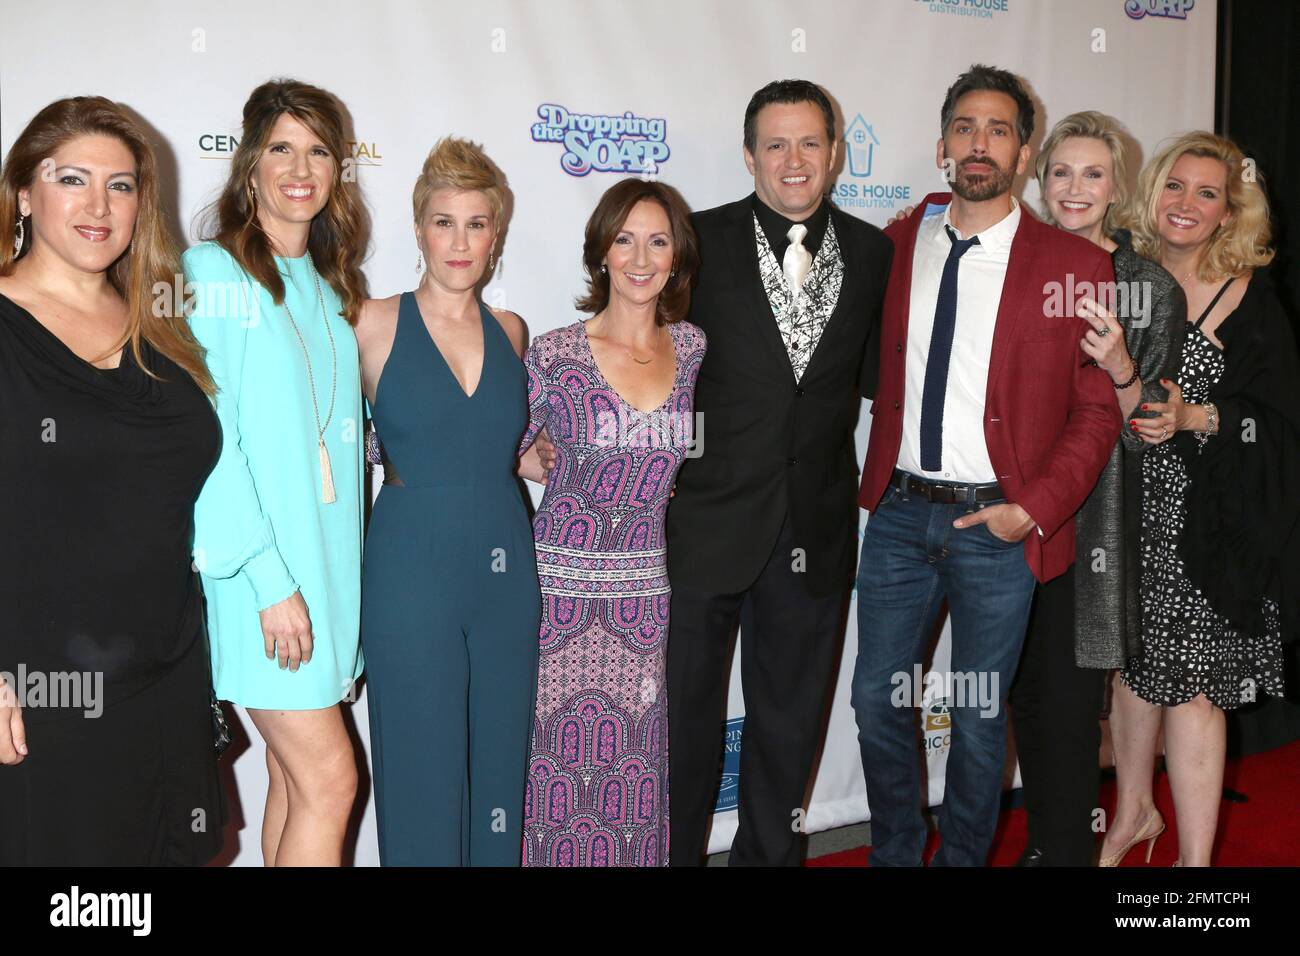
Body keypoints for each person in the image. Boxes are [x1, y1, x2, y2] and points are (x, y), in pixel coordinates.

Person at [852, 65, 1121, 867]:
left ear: (1025, 149)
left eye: (999, 130)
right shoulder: (897, 243)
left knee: (976, 719)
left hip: (999, 525)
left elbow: (1097, 411)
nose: (980, 144)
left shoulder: (1073, 265)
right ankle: (897, 855)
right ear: (942, 145)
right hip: (900, 515)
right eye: (965, 127)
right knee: (875, 702)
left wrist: (1032, 509)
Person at [666, 79, 892, 867]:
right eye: (775, 144)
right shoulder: (692, 240)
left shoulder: (874, 253)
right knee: (683, 725)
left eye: (809, 143)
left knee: (789, 724)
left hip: (815, 528)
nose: (793, 161)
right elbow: (642, 359)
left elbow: (872, 383)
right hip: (702, 524)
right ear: (748, 155)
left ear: (834, 153)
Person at [0, 96, 223, 865]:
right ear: (24, 193)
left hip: (167, 672)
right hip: (42, 688)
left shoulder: (160, 325)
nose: (99, 206)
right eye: (72, 179)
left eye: (121, 185)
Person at [186, 79, 368, 866]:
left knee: (298, 789)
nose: (302, 168)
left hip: (324, 582)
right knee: (332, 783)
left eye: (320, 150)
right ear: (250, 166)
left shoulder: (329, 288)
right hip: (264, 585)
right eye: (281, 148)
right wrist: (269, 581)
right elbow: (206, 441)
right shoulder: (211, 274)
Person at [1104, 131, 1298, 867]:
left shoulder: (1250, 299)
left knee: (1191, 690)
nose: (1186, 204)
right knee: (1128, 671)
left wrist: (1198, 416)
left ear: (1228, 212)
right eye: (1175, 187)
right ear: (1153, 193)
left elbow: (1279, 424)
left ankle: (1192, 867)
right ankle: (1131, 815)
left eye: (1207, 193)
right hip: (1120, 509)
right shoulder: (1122, 273)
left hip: (1208, 522)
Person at [357, 137, 543, 866]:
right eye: (444, 221)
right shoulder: (369, 322)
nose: (460, 241)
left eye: (476, 223)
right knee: (419, 768)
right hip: (409, 567)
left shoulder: (511, 331)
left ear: (496, 232)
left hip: (504, 566)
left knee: (500, 765)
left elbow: (488, 441)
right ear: (417, 228)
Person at [1010, 111, 1186, 866]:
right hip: (1017, 507)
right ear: (1038, 181)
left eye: (1092, 174)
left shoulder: (1144, 283)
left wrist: (1120, 365)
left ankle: (1066, 852)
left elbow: (1152, 425)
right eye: (1060, 172)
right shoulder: (1017, 259)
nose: (1074, 188)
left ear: (1117, 187)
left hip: (1101, 520)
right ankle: (1048, 843)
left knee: (1071, 699)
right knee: (1019, 690)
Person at [519, 179, 704, 867]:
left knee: (633, 775)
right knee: (552, 778)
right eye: (624, 239)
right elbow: (499, 442)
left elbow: (696, 443)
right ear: (600, 252)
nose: (639, 256)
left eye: (657, 241)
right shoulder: (554, 352)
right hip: (557, 601)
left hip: (642, 603)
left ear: (677, 259)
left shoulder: (691, 349)